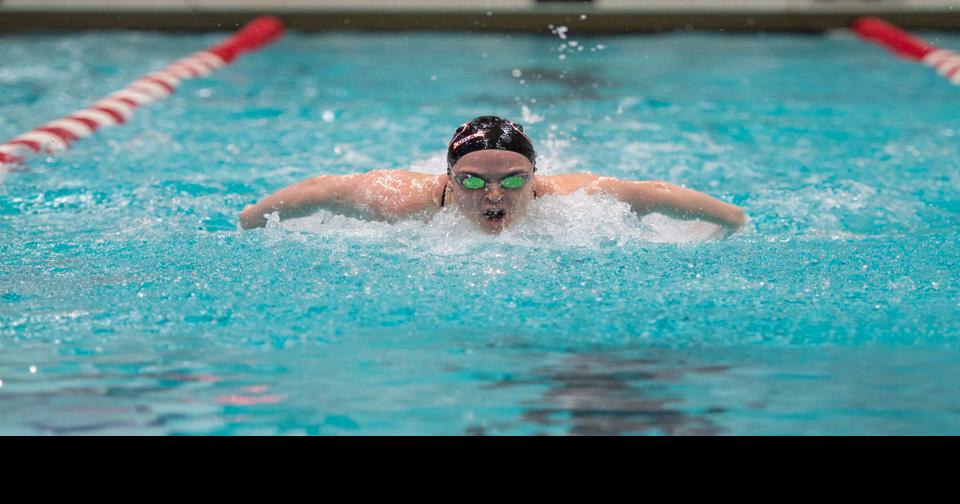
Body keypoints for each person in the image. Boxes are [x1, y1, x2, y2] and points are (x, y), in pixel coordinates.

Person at [239, 115, 746, 234]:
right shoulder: (401, 199)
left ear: (535, 176)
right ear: (449, 179)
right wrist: (253, 219)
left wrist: (732, 221)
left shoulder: (570, 197)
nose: (495, 195)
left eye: (514, 179)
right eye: (474, 181)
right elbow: (321, 190)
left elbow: (650, 193)